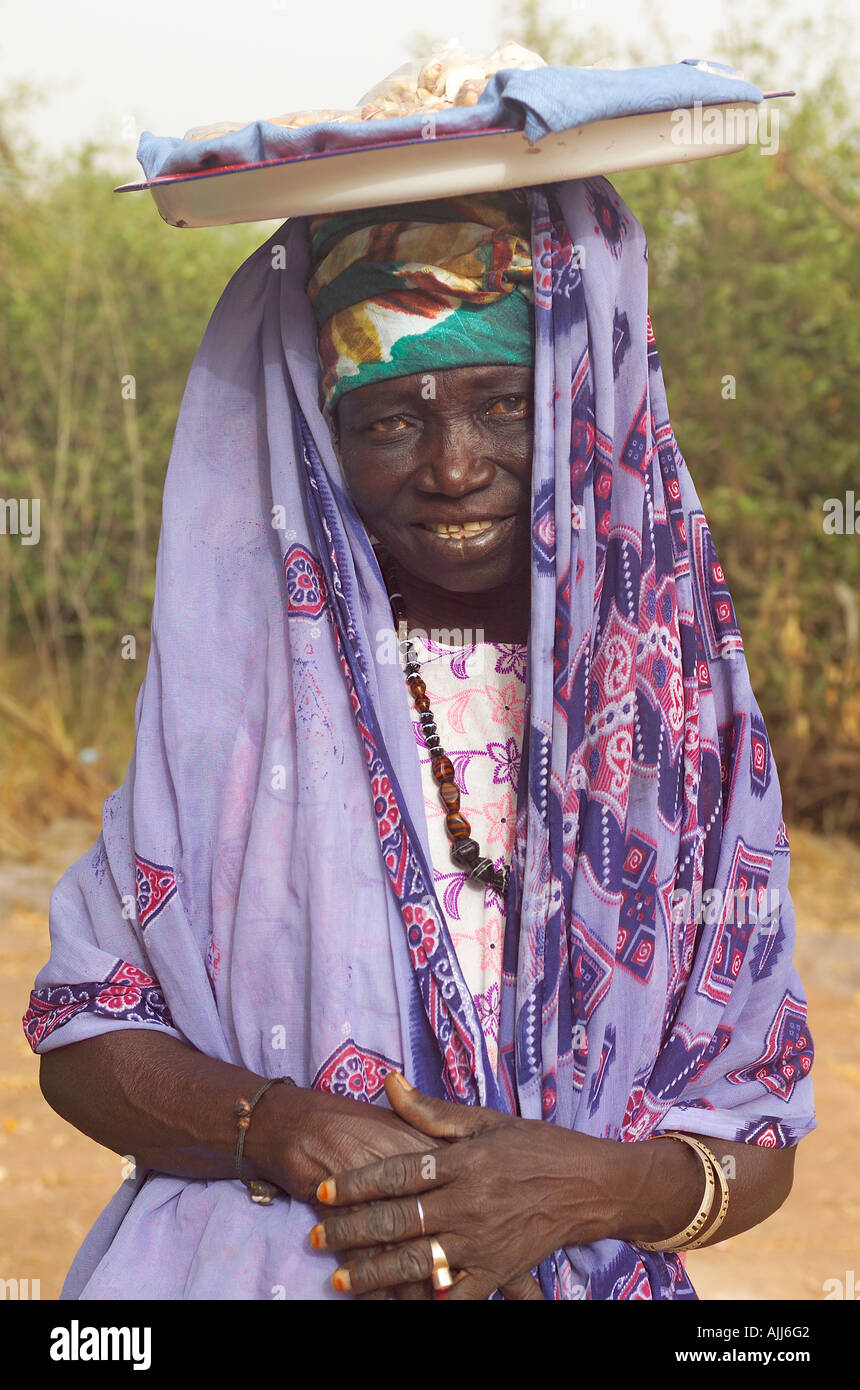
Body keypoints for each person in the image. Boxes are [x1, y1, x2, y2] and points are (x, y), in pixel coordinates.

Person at [24, 179, 815, 1301]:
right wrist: (272, 1123)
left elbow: (757, 1129)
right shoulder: (251, 711)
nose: (450, 467)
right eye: (391, 419)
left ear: (580, 411)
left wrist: (584, 1189)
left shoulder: (680, 740)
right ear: (321, 436)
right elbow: (85, 1026)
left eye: (503, 406)